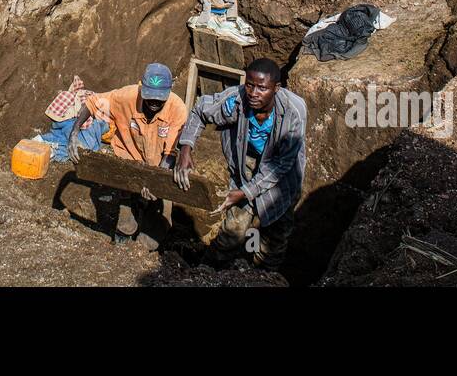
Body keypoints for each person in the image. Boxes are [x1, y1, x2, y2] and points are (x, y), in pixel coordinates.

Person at [173, 58, 306, 272]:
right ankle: (206, 271)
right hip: (246, 164)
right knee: (233, 229)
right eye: (250, 85)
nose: (253, 93)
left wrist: (245, 192)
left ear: (276, 89)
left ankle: (263, 276)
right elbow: (200, 110)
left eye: (262, 88)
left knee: (275, 236)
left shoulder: (293, 112)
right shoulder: (236, 99)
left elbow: (281, 165)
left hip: (282, 178)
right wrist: (186, 147)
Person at [67, 63, 187, 246]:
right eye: (149, 97)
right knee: (126, 216)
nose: (154, 103)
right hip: (129, 162)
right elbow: (92, 103)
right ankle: (123, 240)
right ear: (142, 88)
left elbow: (170, 154)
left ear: (169, 92)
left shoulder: (177, 109)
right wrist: (74, 133)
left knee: (156, 228)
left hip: (159, 165)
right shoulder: (125, 97)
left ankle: (144, 250)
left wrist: (156, 182)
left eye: (159, 99)